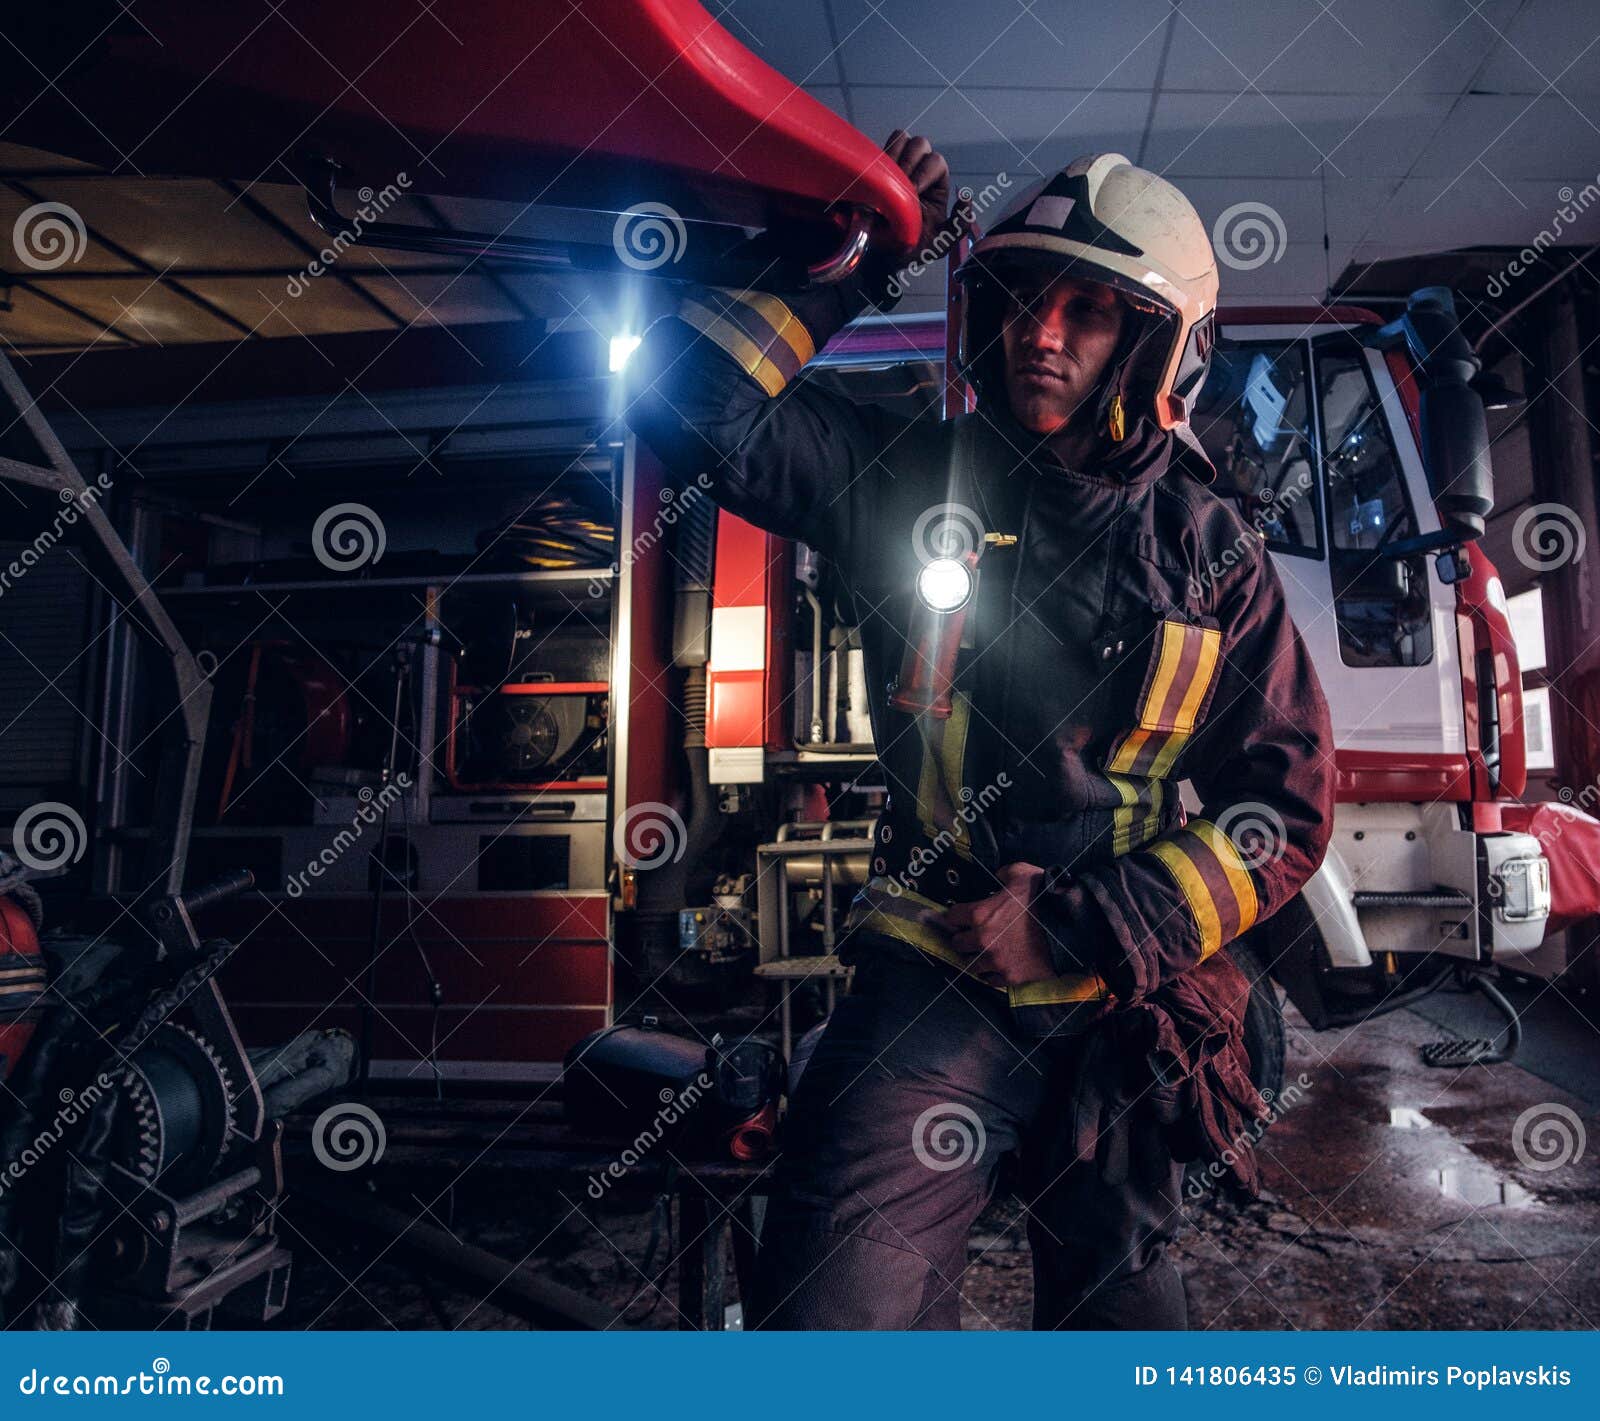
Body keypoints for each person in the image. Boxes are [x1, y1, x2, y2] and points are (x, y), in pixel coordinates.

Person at [623, 132, 1334, 1330]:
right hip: (933, 984)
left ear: (1161, 347)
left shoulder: (1214, 556)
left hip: (1123, 1008)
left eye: (1087, 311)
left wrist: (1075, 923)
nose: (1037, 333)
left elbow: (1286, 810)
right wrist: (848, 261)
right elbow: (684, 404)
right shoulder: (906, 470)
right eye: (1018, 302)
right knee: (829, 1322)